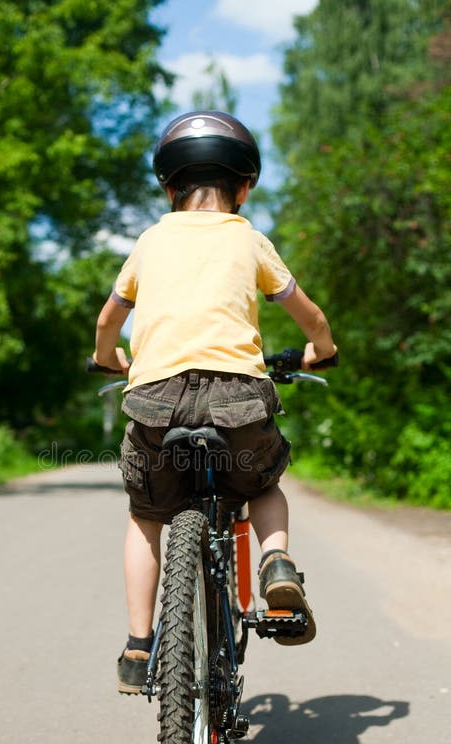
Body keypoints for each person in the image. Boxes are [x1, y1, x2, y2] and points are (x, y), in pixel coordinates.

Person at [92, 111, 337, 694]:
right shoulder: (248, 237)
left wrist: (110, 358)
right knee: (262, 485)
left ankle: (137, 645)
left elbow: (109, 320)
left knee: (147, 516)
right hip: (239, 396)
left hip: (155, 398)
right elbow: (310, 316)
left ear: (169, 188)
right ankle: (277, 564)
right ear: (244, 187)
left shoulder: (150, 241)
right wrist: (320, 349)